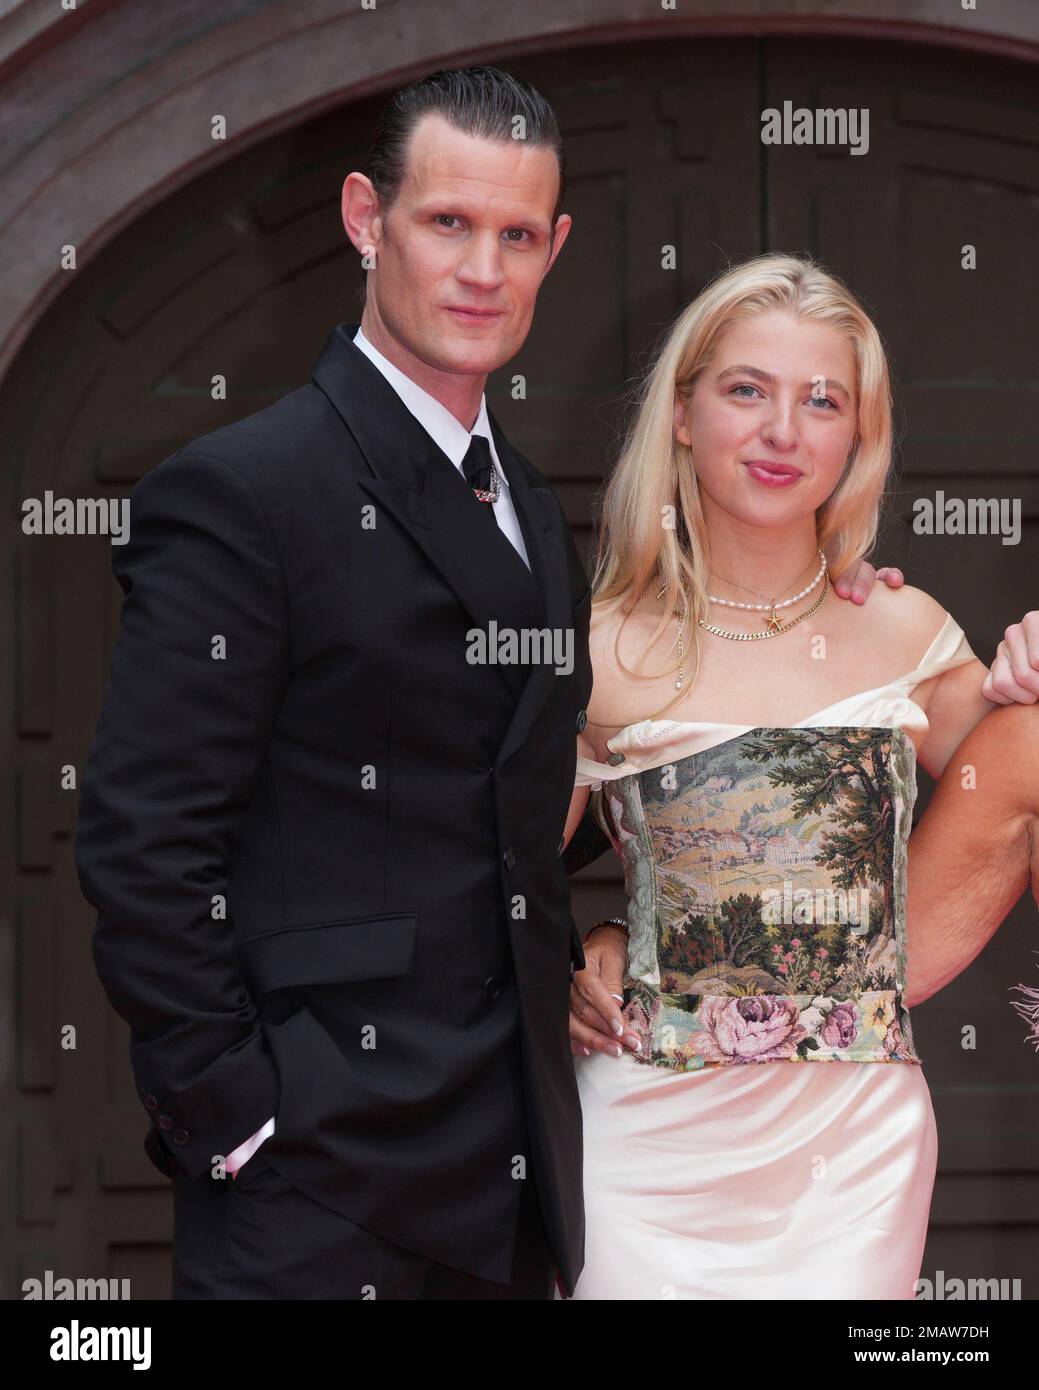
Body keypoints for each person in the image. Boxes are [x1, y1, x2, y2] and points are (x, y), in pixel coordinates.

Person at [75, 69, 900, 1301]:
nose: (483, 269)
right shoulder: (243, 490)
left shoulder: (524, 510)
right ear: (365, 218)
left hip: (516, 1173)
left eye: (517, 236)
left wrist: (808, 648)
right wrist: (235, 1115)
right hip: (313, 1180)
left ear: (556, 245)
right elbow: (143, 841)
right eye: (446, 223)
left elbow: (520, 813)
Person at [561, 252, 1039, 1300]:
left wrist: (1029, 669)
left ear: (856, 438)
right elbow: (471, 876)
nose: (784, 431)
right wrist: (576, 952)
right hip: (646, 1147)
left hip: (851, 1152)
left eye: (822, 401)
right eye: (746, 390)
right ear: (682, 415)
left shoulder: (903, 627)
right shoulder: (597, 649)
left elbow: (1020, 778)